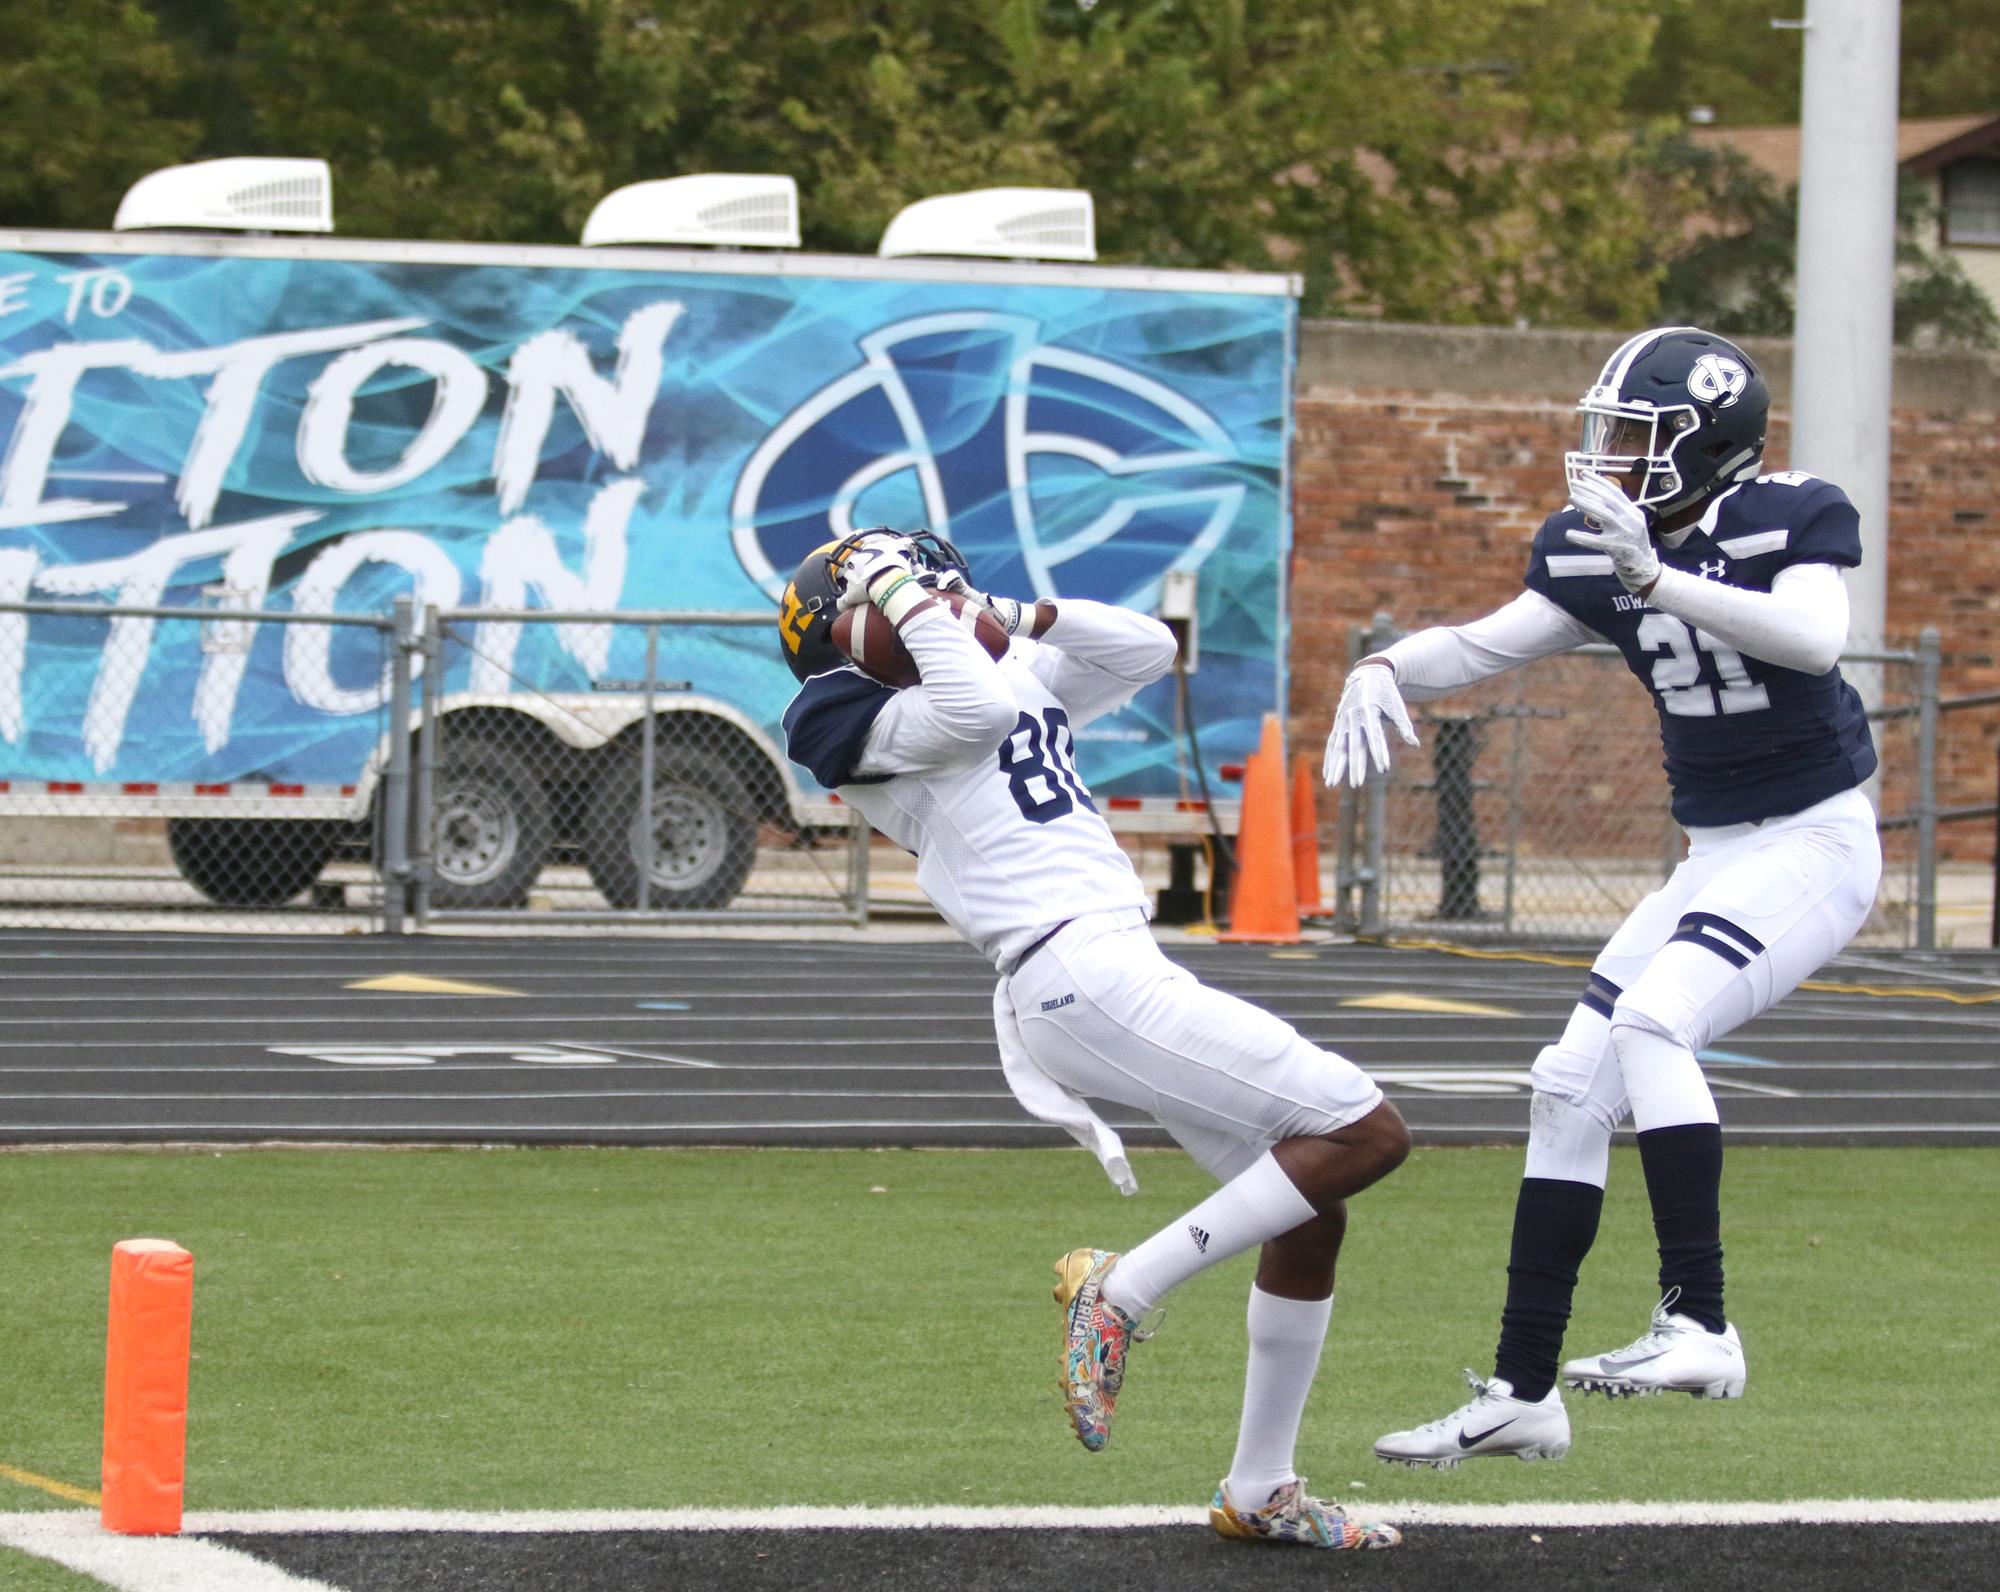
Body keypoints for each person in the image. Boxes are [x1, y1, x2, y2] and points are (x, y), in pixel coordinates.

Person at [779, 528, 1409, 1550]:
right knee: (1366, 1130)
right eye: (906, 596)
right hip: (1074, 972)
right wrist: (907, 599)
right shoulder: (842, 711)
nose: (938, 601)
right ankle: (1120, 1289)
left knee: (1309, 1211)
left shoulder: (989, 661)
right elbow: (971, 709)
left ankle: (1260, 1489)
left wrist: (1014, 616)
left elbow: (1147, 648)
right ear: (859, 631)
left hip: (1104, 969)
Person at [1326, 326, 1882, 1469]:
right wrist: (1383, 663)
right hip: (1715, 850)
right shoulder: (1596, 548)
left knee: (1650, 1021)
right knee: (1565, 1086)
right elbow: (1483, 645)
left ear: (1708, 444)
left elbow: (1817, 638)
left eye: (1637, 438)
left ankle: (1699, 1320)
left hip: (1814, 838)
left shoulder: (1784, 512)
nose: (1610, 458)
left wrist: (1656, 575)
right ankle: (1521, 1392)